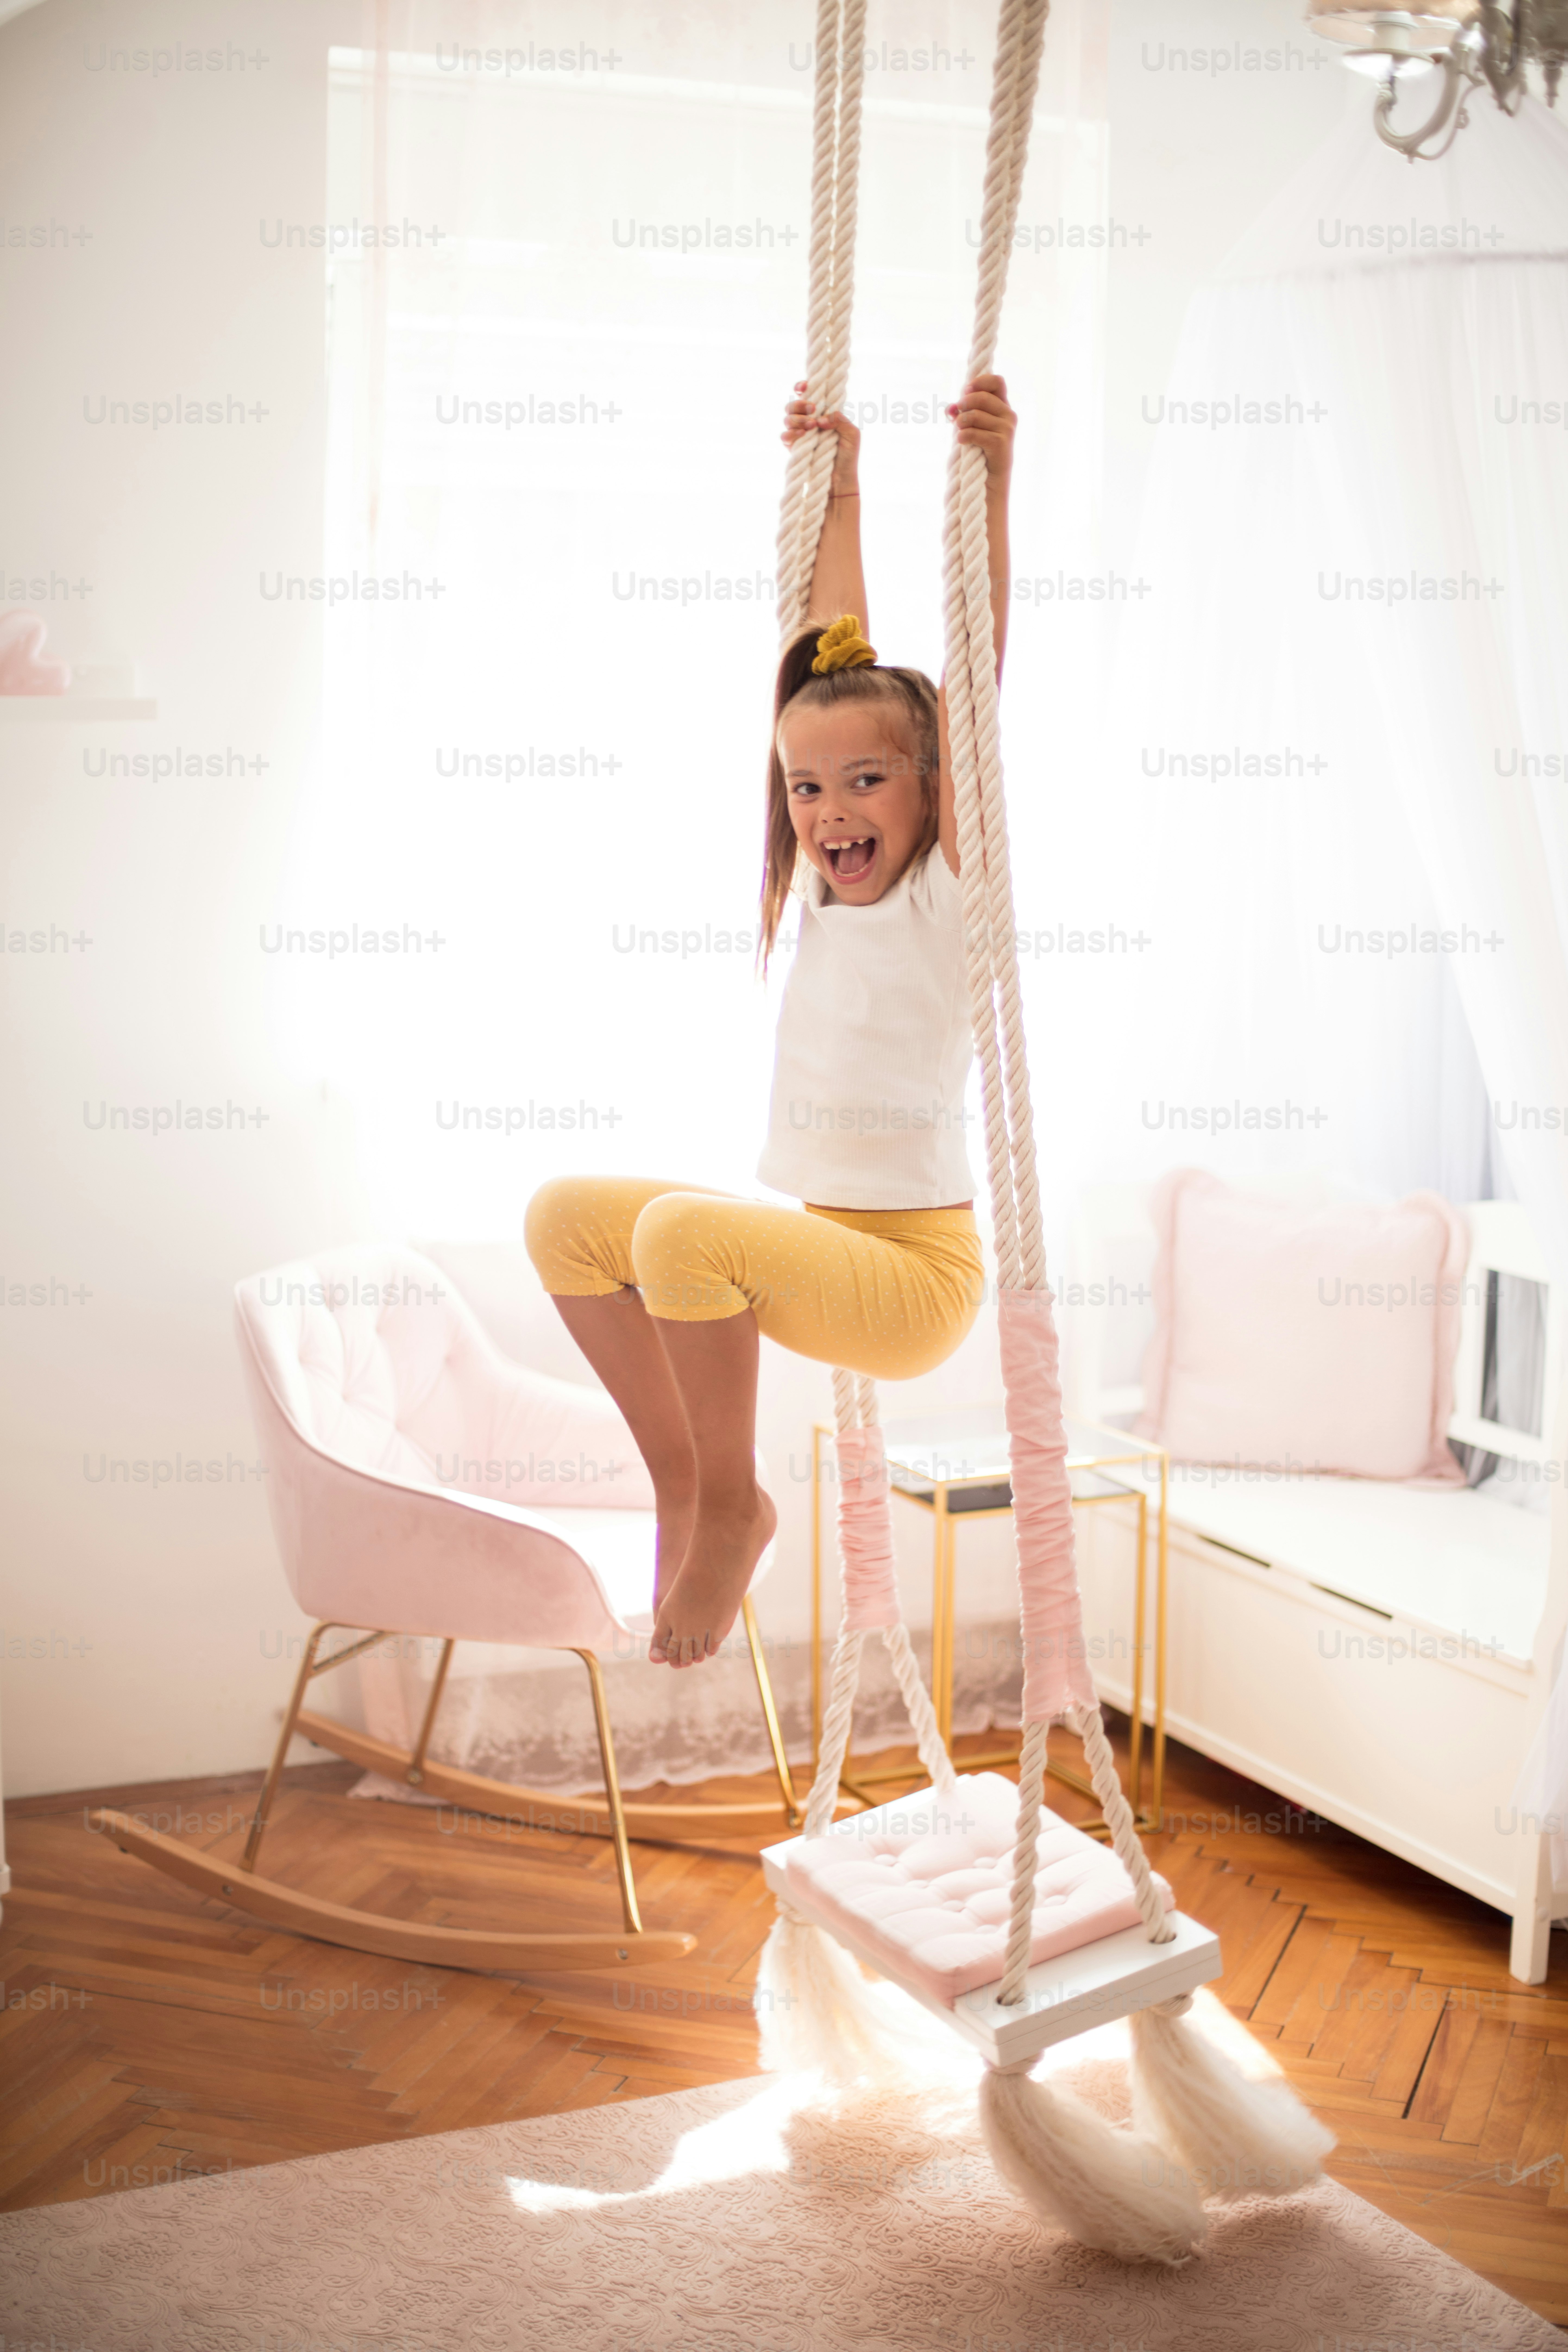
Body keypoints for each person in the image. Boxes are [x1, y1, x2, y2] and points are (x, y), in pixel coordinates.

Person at [525, 374, 1016, 1667]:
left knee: (684, 1236)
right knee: (567, 1218)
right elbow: (825, 648)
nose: (831, 810)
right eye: (806, 787)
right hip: (826, 1247)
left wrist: (994, 481)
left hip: (915, 1282)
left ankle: (737, 1505)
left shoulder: (944, 893)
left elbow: (973, 676)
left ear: (930, 790)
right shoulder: (815, 889)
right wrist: (839, 484)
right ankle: (690, 1485)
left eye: (867, 781)